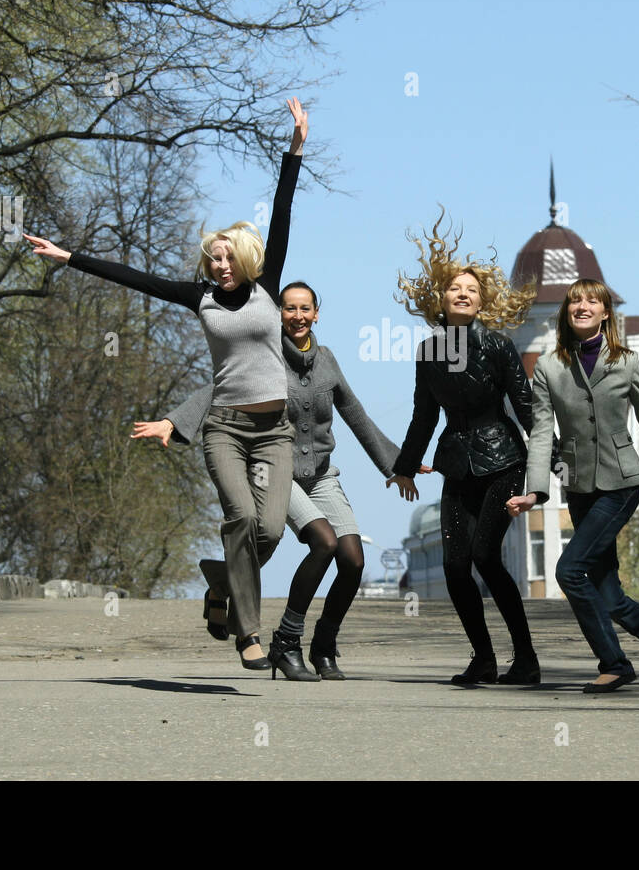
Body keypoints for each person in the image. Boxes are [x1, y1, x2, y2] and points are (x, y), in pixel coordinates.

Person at [24, 97, 308, 672]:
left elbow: (282, 211)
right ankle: (249, 634)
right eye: (212, 258)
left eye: (227, 257)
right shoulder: (198, 296)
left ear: (247, 259)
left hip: (276, 430)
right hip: (225, 428)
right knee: (241, 520)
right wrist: (69, 256)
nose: (219, 265)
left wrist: (294, 150)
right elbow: (133, 277)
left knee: (273, 527)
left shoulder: (266, 286)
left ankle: (219, 580)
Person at [138, 281, 427, 681]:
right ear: (278, 315)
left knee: (353, 559)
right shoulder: (265, 356)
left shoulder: (327, 360)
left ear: (316, 313)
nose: (297, 316)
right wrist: (175, 421)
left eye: (305, 308)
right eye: (289, 309)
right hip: (277, 472)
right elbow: (217, 389)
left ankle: (323, 645)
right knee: (323, 543)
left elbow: (355, 413)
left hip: (323, 475)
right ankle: (287, 643)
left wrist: (399, 463)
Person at [505, 279, 639, 693]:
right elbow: (542, 432)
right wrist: (535, 491)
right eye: (575, 301)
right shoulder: (549, 367)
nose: (582, 306)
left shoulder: (626, 362)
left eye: (592, 301)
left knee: (569, 570)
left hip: (621, 483)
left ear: (605, 313)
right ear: (567, 312)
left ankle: (614, 663)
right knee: (608, 593)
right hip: (579, 486)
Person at [387, 214, 541, 685]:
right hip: (456, 463)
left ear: (481, 300)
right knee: (456, 566)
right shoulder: (429, 352)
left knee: (485, 556)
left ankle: (526, 658)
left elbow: (527, 407)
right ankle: (484, 658)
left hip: (504, 460)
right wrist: (406, 467)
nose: (463, 293)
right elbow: (423, 416)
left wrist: (551, 465)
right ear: (441, 298)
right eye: (455, 287)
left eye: (472, 289)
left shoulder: (498, 346)